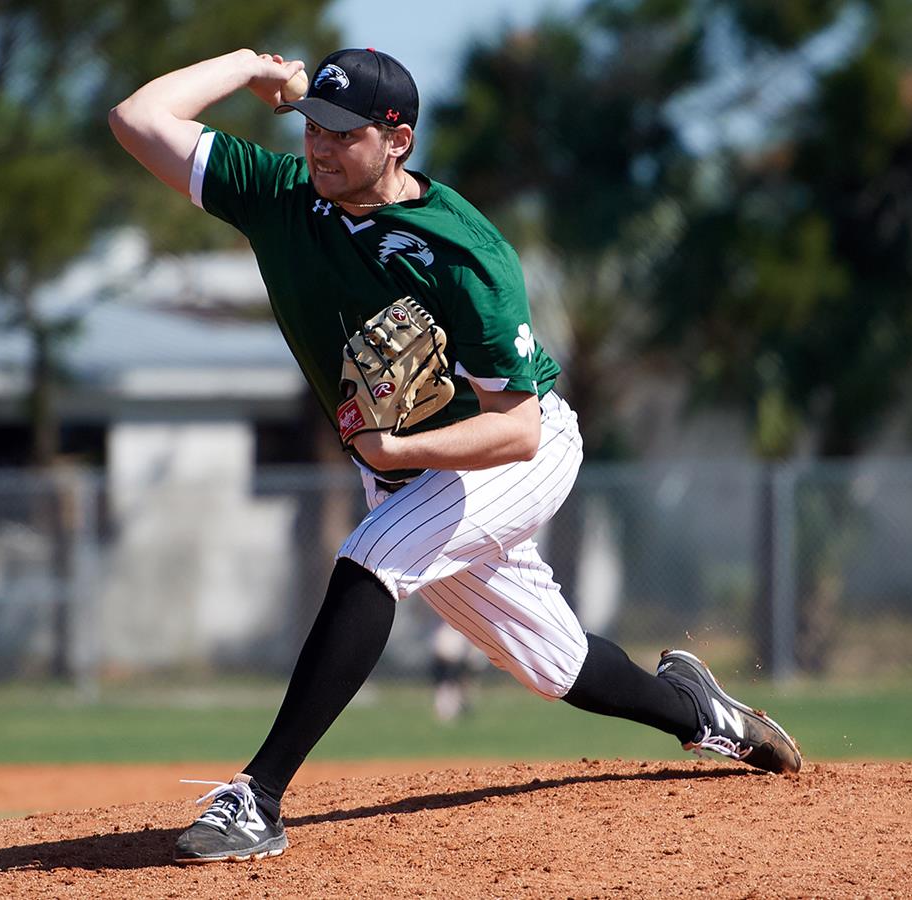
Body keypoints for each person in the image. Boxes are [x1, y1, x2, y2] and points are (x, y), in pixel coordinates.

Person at [109, 47, 802, 865]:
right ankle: (701, 714)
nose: (319, 147)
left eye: (341, 132)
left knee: (371, 559)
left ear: (397, 139)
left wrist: (398, 445)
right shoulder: (281, 197)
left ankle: (257, 799)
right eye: (312, 127)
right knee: (556, 664)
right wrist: (250, 65)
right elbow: (138, 120)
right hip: (406, 470)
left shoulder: (463, 253)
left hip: (516, 448)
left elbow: (517, 430)